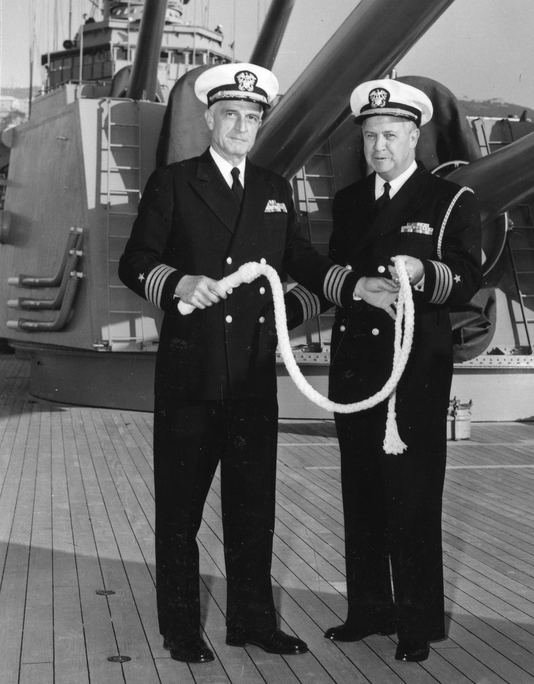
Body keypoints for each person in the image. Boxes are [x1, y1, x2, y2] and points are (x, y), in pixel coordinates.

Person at [118, 63, 396, 664]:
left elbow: (299, 256)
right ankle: (181, 628)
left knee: (252, 509)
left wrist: (353, 288)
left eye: (252, 117)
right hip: (191, 376)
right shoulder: (173, 183)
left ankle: (251, 622)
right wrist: (178, 283)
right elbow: (134, 260)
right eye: (231, 116)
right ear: (211, 121)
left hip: (250, 377)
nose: (241, 125)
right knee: (180, 513)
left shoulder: (273, 188)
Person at [287, 78, 482, 663]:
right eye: (370, 136)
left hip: (414, 372)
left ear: (415, 136)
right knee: (362, 492)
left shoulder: (450, 201)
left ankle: (418, 622)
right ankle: (368, 609)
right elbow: (339, 278)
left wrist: (423, 273)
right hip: (355, 369)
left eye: (390, 135)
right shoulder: (349, 202)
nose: (379, 147)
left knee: (414, 496)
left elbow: (468, 276)